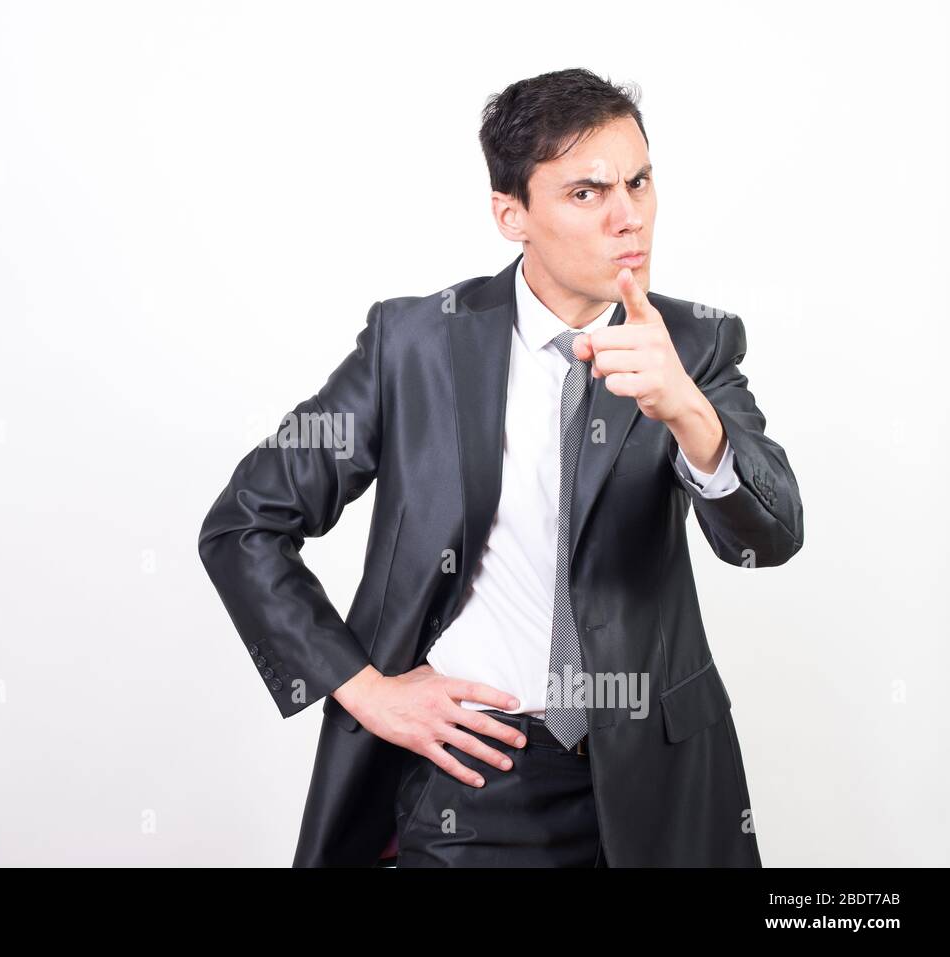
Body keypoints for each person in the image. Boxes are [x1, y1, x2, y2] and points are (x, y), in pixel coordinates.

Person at [198, 67, 804, 867]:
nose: (628, 216)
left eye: (640, 182)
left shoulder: (695, 343)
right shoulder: (413, 346)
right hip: (472, 781)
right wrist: (366, 689)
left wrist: (689, 410)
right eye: (586, 193)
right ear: (510, 214)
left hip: (656, 785)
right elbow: (246, 524)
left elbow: (771, 534)